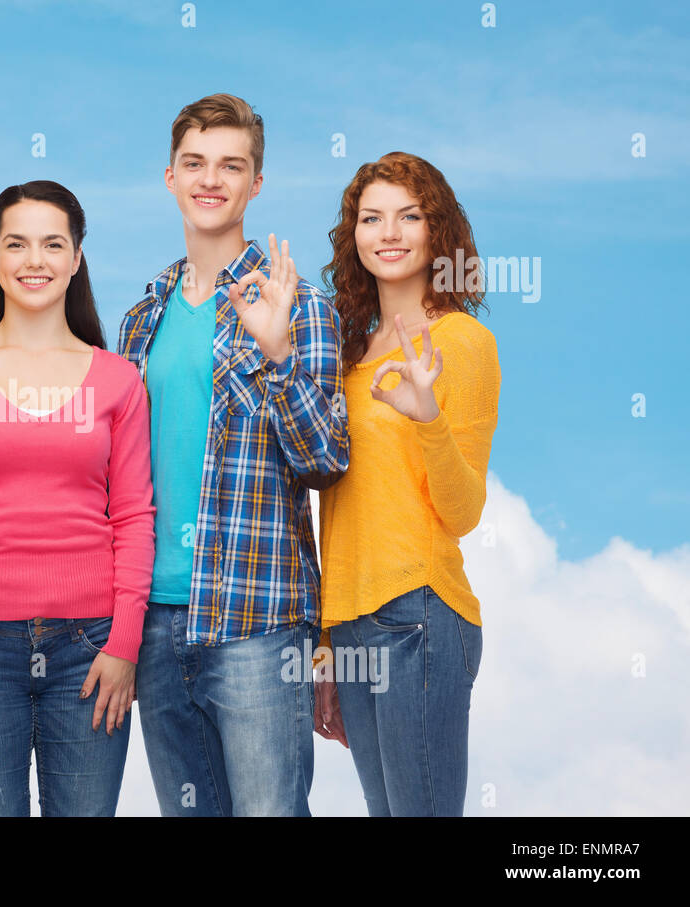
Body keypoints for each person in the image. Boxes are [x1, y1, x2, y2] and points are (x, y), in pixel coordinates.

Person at [118, 93, 350, 816]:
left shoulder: (300, 304)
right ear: (169, 177)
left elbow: (326, 458)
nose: (210, 179)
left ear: (256, 184)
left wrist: (277, 351)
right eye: (195, 163)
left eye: (231, 166)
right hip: (156, 621)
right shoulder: (141, 317)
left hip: (256, 615)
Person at [0, 180, 154, 816]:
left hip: (92, 646)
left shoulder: (118, 380)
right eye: (16, 243)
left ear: (76, 259)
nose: (34, 260)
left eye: (52, 244)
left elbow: (132, 516)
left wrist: (125, 642)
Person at [313, 151, 499, 816]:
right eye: (371, 218)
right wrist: (327, 647)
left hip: (418, 615)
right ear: (353, 235)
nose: (388, 232)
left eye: (408, 216)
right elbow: (334, 507)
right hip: (353, 624)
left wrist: (427, 420)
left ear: (435, 232)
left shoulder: (462, 343)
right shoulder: (344, 353)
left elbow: (463, 509)